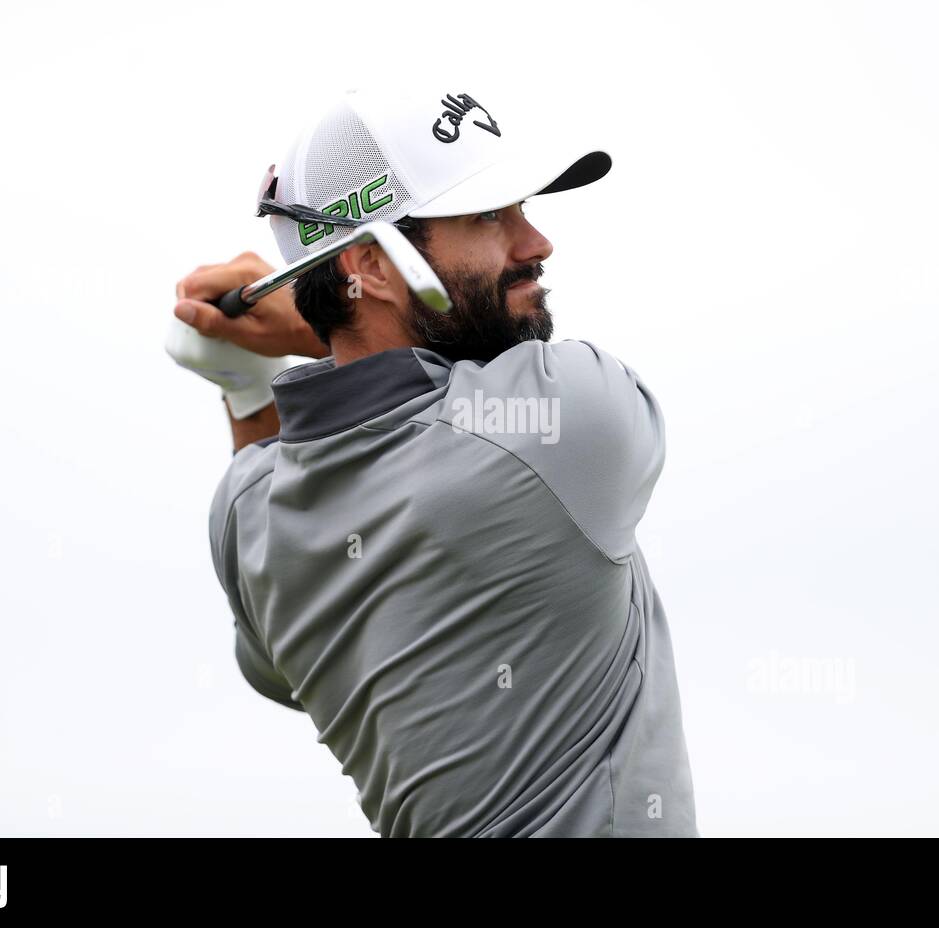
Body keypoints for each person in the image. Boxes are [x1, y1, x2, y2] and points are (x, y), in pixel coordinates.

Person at [169, 88, 698, 837]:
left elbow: (274, 670)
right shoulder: (572, 415)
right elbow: (439, 395)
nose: (536, 241)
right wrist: (305, 332)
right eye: (487, 216)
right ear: (375, 267)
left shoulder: (245, 515)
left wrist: (247, 383)